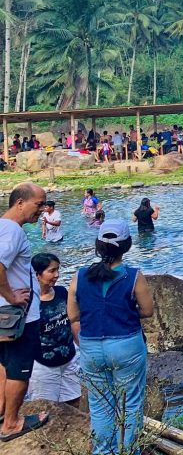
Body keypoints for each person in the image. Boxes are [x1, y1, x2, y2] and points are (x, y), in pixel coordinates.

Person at [68, 218, 154, 455]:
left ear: (98, 245)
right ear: (127, 246)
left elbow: (73, 315)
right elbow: (147, 311)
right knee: (131, 403)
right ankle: (128, 451)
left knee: (100, 405)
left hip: (91, 347)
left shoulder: (79, 275)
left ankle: (103, 452)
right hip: (126, 345)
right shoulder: (134, 276)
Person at [0, 183, 49, 441]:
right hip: (18, 315)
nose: (42, 210)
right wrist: (11, 295)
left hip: (4, 314)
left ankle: (2, 413)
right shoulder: (12, 231)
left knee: (4, 364)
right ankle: (12, 423)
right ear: (20, 202)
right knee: (19, 369)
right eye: (39, 204)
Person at [26, 253, 79, 407]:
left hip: (69, 359)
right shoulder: (28, 301)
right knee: (46, 408)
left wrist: (83, 345)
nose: (57, 275)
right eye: (52, 271)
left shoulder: (62, 292)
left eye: (58, 270)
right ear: (37, 274)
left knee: (74, 402)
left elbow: (73, 321)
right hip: (42, 365)